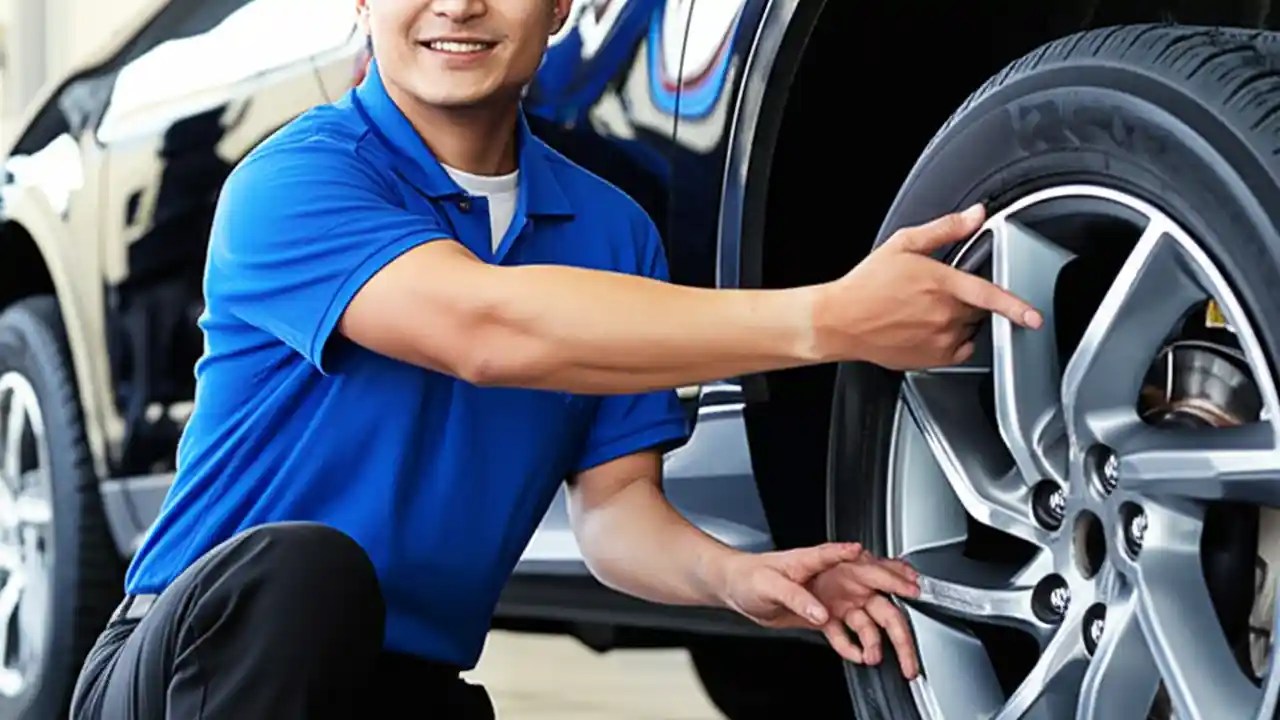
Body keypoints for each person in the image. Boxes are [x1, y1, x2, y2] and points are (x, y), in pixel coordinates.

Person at [69, 0, 1043, 718]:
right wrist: (828, 319)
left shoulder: (609, 230)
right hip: (199, 663)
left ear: (564, 8)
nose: (456, 6)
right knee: (309, 573)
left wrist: (735, 577)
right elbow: (483, 332)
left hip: (400, 688)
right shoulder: (297, 180)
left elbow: (616, 511)